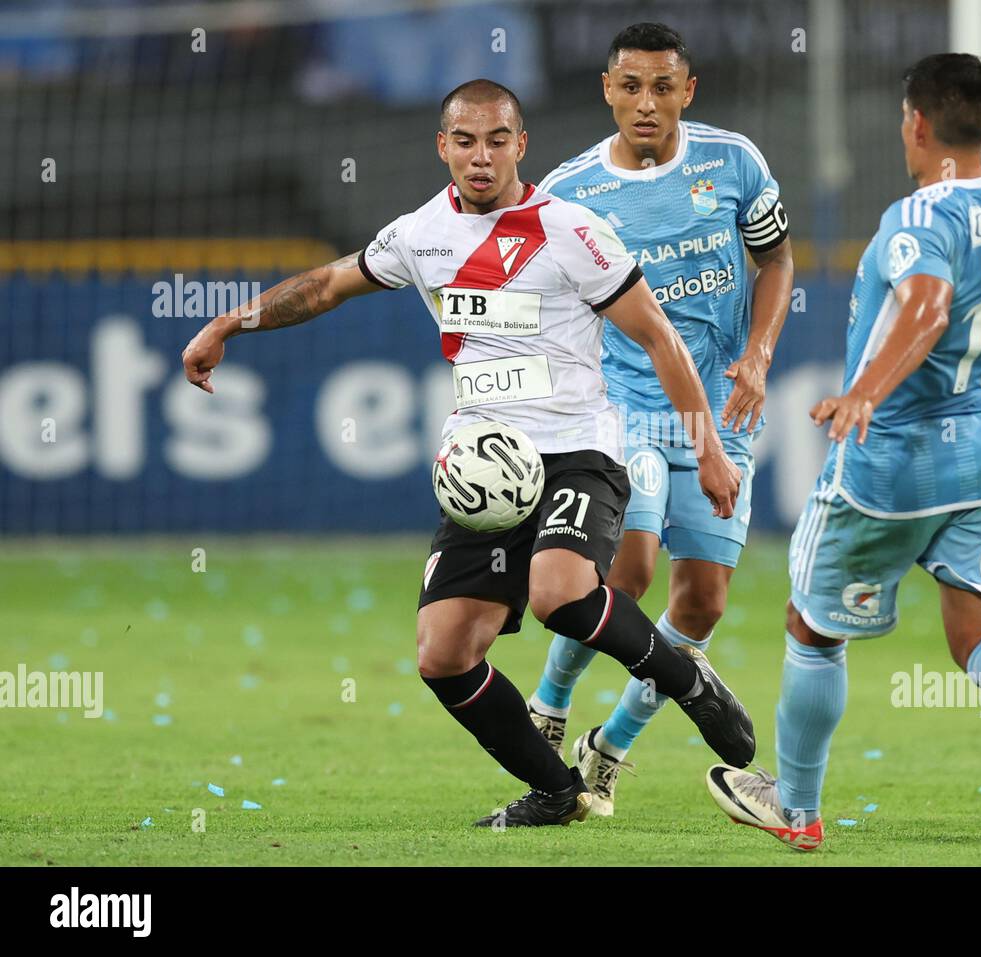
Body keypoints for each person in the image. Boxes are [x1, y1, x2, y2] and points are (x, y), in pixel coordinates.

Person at [181, 78, 755, 828]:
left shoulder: (571, 230)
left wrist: (706, 449)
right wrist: (231, 322)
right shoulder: (421, 234)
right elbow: (326, 285)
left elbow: (659, 337)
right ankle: (557, 791)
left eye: (496, 140)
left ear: (522, 145)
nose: (480, 157)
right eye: (464, 140)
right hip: (486, 469)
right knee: (443, 652)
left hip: (578, 449)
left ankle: (688, 681)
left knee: (560, 593)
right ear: (442, 146)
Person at [706, 54, 981, 850]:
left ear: (917, 125)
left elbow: (925, 306)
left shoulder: (918, 219)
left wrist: (866, 393)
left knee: (812, 626)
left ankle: (795, 807)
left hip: (892, 464)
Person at [526, 22, 793, 816]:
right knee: (630, 570)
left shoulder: (734, 162)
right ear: (607, 90)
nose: (647, 103)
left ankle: (609, 749)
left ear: (688, 90)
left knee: (703, 601)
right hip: (625, 409)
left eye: (663, 86)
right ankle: (549, 701)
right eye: (631, 87)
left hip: (723, 409)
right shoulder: (568, 191)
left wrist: (761, 353)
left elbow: (774, 260)